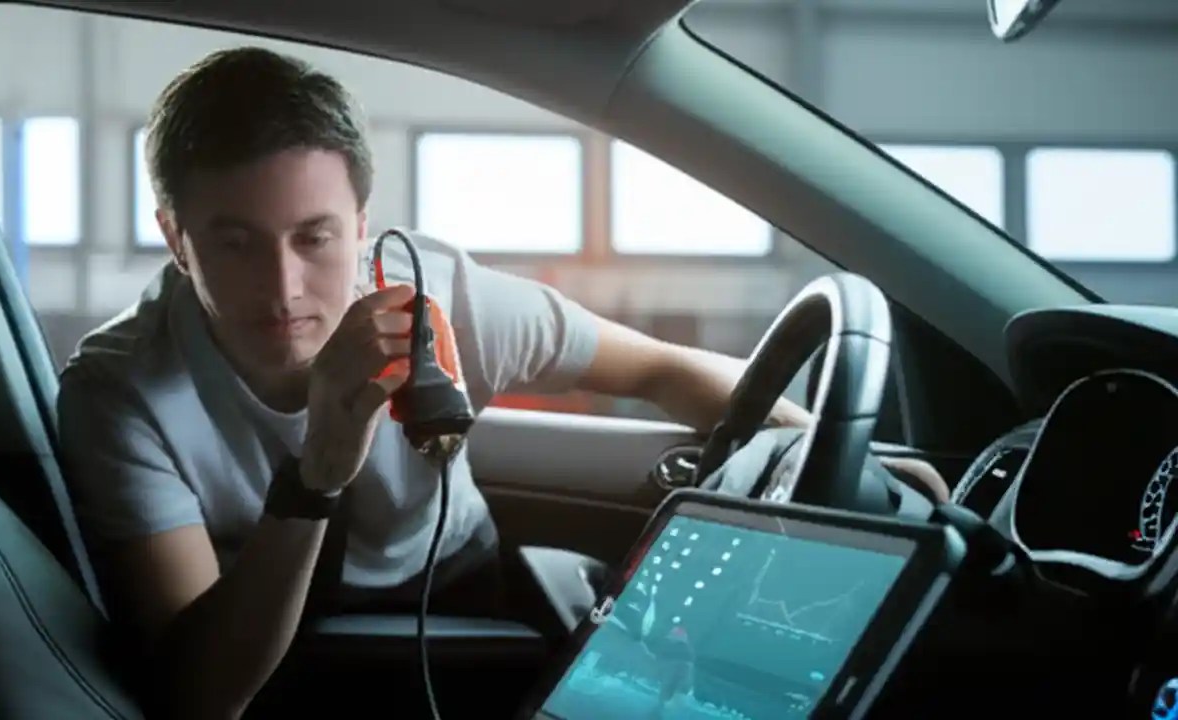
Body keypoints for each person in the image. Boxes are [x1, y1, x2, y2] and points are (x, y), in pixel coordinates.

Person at [55, 46, 941, 719]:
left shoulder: (441, 298)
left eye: (315, 237)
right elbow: (198, 696)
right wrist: (319, 469)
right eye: (235, 242)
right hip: (288, 654)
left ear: (363, 225)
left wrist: (838, 466)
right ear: (176, 238)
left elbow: (667, 371)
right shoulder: (121, 392)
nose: (284, 288)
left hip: (474, 587)